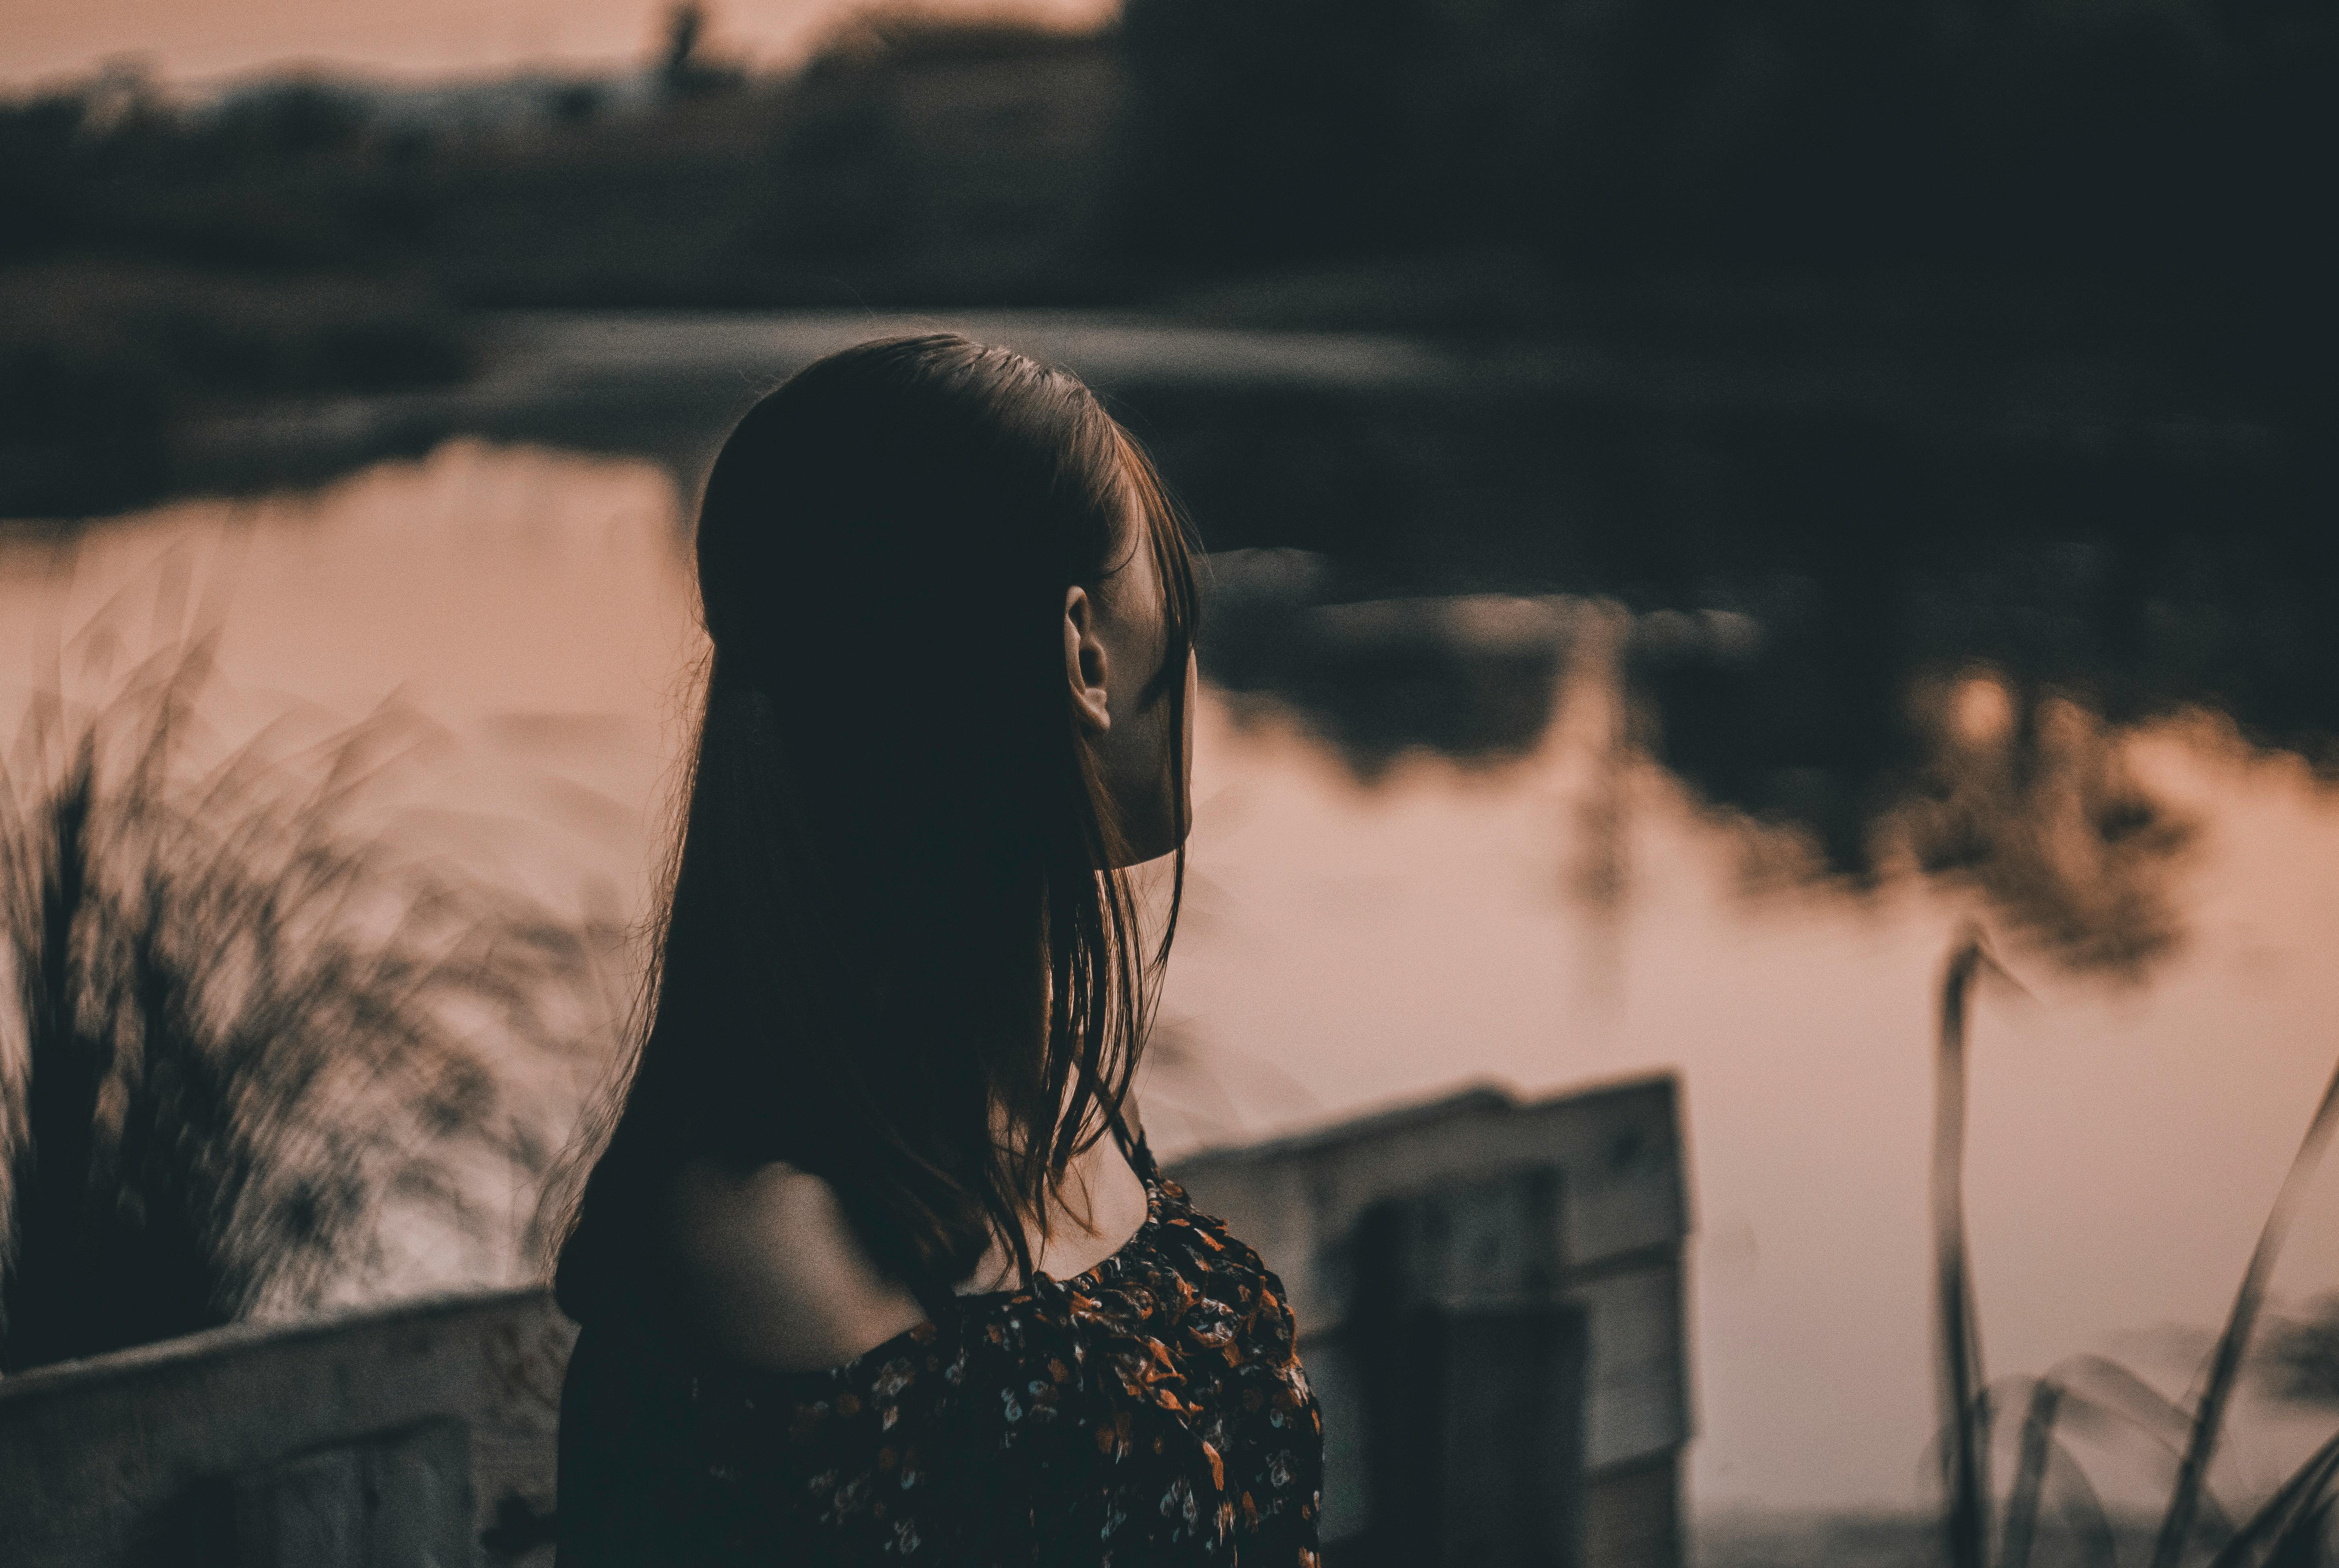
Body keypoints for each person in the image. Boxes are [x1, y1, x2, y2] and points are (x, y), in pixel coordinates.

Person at [549, 334, 1323, 1566]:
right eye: (1166, 590)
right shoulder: (772, 1244)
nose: (1187, 638)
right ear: (1081, 651)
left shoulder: (1056, 1101)